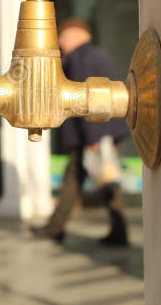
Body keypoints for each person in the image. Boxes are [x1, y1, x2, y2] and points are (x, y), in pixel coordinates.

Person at [32, 18, 130, 246]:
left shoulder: (80, 59)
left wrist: (92, 140)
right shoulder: (97, 55)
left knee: (91, 181)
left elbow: (89, 102)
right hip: (100, 134)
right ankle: (117, 232)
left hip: (92, 135)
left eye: (64, 36)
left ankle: (56, 228)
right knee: (102, 180)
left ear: (78, 35)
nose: (60, 40)